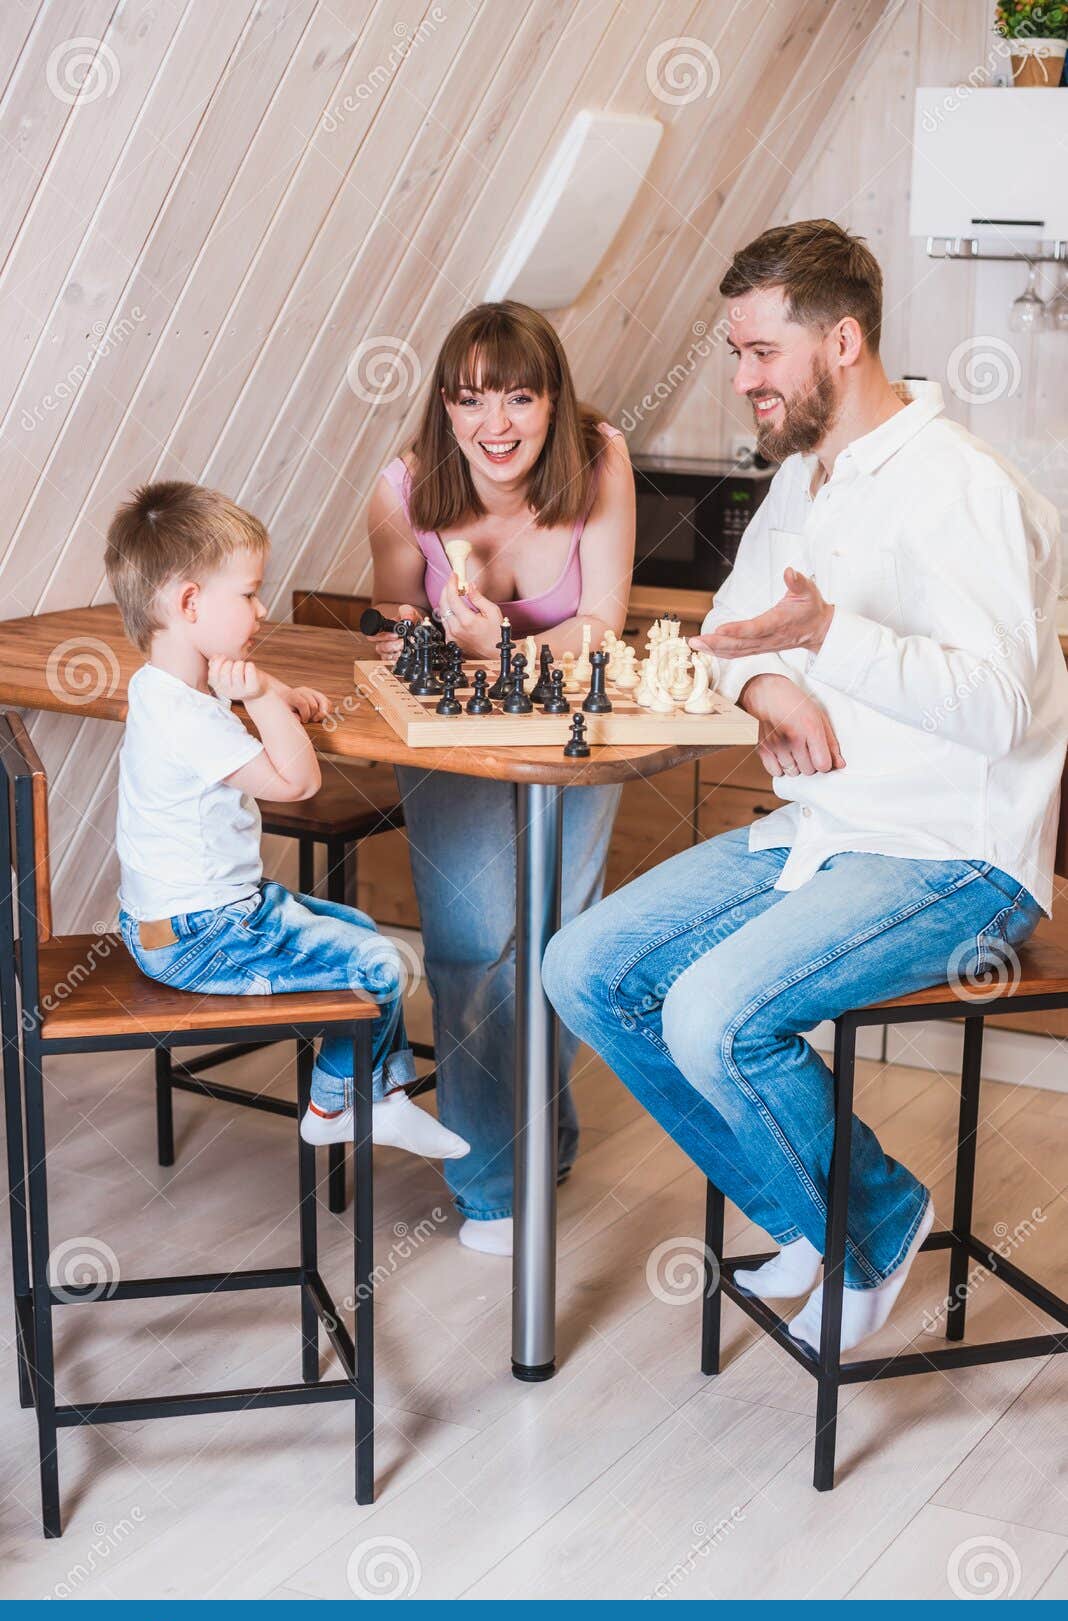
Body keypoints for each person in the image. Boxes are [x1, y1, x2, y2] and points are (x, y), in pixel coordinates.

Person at [543, 220, 1068, 1354]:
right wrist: (773, 687)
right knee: (582, 966)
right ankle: (807, 1211)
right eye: (735, 353)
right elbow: (730, 636)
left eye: (762, 353)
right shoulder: (803, 480)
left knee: (713, 1014)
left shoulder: (961, 489)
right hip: (827, 831)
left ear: (842, 340)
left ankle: (873, 1219)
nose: (742, 380)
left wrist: (834, 634)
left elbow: (998, 710)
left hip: (953, 857)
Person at [367, 300, 635, 1255]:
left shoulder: (600, 458)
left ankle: (540, 1135)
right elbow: (393, 617)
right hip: (459, 743)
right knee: (475, 946)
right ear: (445, 408)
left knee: (561, 945)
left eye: (520, 397)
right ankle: (489, 1185)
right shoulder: (404, 491)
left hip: (575, 734)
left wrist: (503, 651)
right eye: (471, 400)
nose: (497, 426)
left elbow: (602, 620)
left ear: (554, 401)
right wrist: (445, 639)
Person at [105, 479, 469, 1162]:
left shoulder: (165, 684)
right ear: (189, 603)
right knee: (381, 966)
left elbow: (227, 695)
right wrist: (268, 702)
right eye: (247, 593)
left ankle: (382, 1101)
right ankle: (333, 1106)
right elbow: (298, 782)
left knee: (360, 929)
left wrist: (267, 692)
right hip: (200, 935)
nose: (262, 607)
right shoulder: (185, 717)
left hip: (188, 918)